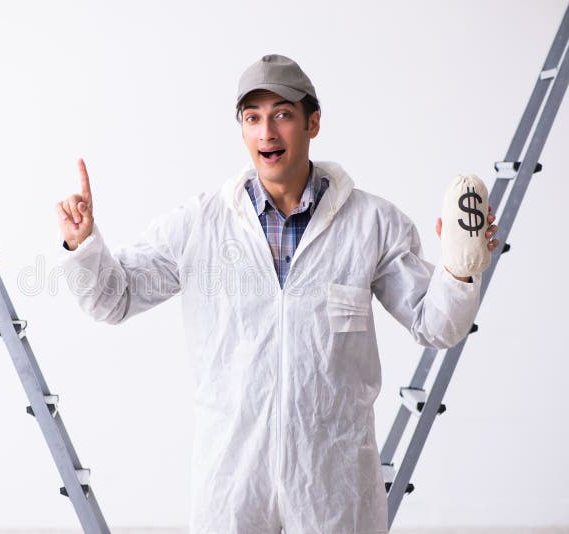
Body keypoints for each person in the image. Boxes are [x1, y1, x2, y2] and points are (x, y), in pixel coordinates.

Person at [55, 54, 499, 534]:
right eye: (253, 118)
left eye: (283, 114)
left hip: (335, 483)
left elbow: (434, 325)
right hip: (232, 481)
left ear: (313, 123)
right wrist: (83, 245)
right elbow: (112, 299)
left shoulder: (371, 224)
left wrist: (458, 270)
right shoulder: (199, 226)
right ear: (242, 130)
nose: (267, 132)